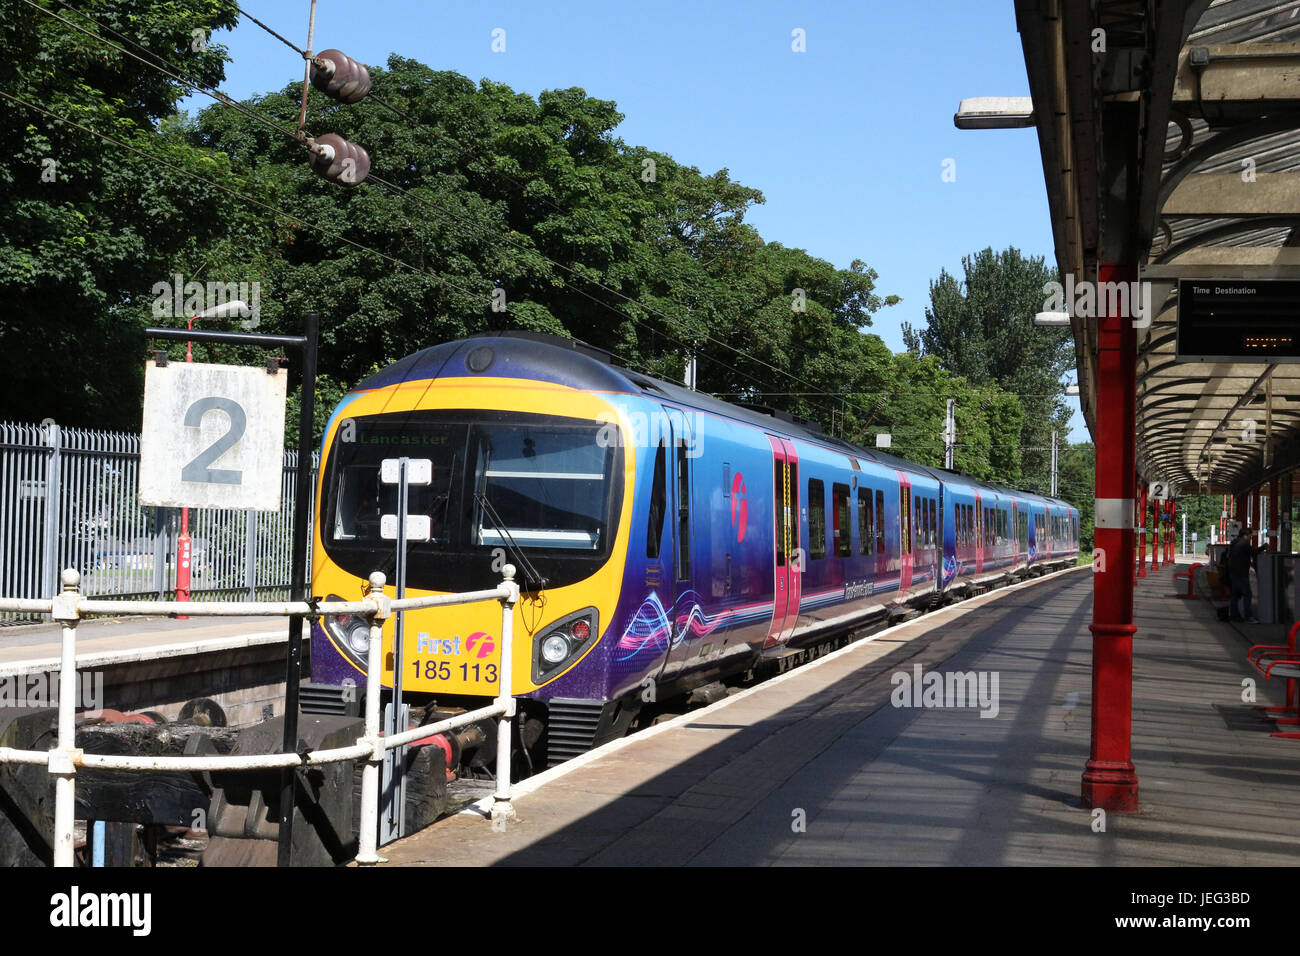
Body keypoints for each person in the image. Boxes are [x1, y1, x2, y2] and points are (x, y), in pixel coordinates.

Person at [1227, 526, 1267, 623]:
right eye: (1250, 536)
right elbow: (1254, 552)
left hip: (1233, 571)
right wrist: (1264, 547)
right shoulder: (1244, 544)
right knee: (1247, 594)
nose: (1251, 538)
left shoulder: (1234, 542)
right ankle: (1248, 616)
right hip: (1241, 572)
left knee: (1235, 595)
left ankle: (1233, 615)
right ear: (1245, 535)